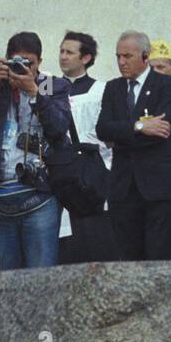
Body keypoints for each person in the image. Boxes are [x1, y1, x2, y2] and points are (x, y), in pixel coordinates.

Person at [0, 32, 71, 269]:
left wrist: (34, 92)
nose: (22, 69)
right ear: (6, 61)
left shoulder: (48, 84)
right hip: (3, 197)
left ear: (39, 62)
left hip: (40, 194)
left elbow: (59, 128)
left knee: (40, 273)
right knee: (9, 277)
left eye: (29, 63)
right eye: (16, 62)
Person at [96, 30, 171, 261]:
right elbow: (103, 129)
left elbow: (162, 130)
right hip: (123, 188)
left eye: (127, 56)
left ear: (145, 56)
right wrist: (140, 127)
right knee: (127, 259)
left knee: (159, 258)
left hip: (158, 190)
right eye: (118, 56)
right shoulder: (113, 88)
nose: (121, 62)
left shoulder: (167, 85)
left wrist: (122, 134)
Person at [56, 29, 115, 264]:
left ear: (86, 58)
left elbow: (102, 131)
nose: (63, 56)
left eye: (69, 52)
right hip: (59, 172)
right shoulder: (50, 88)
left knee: (92, 238)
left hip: (90, 172)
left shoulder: (101, 90)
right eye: (61, 51)